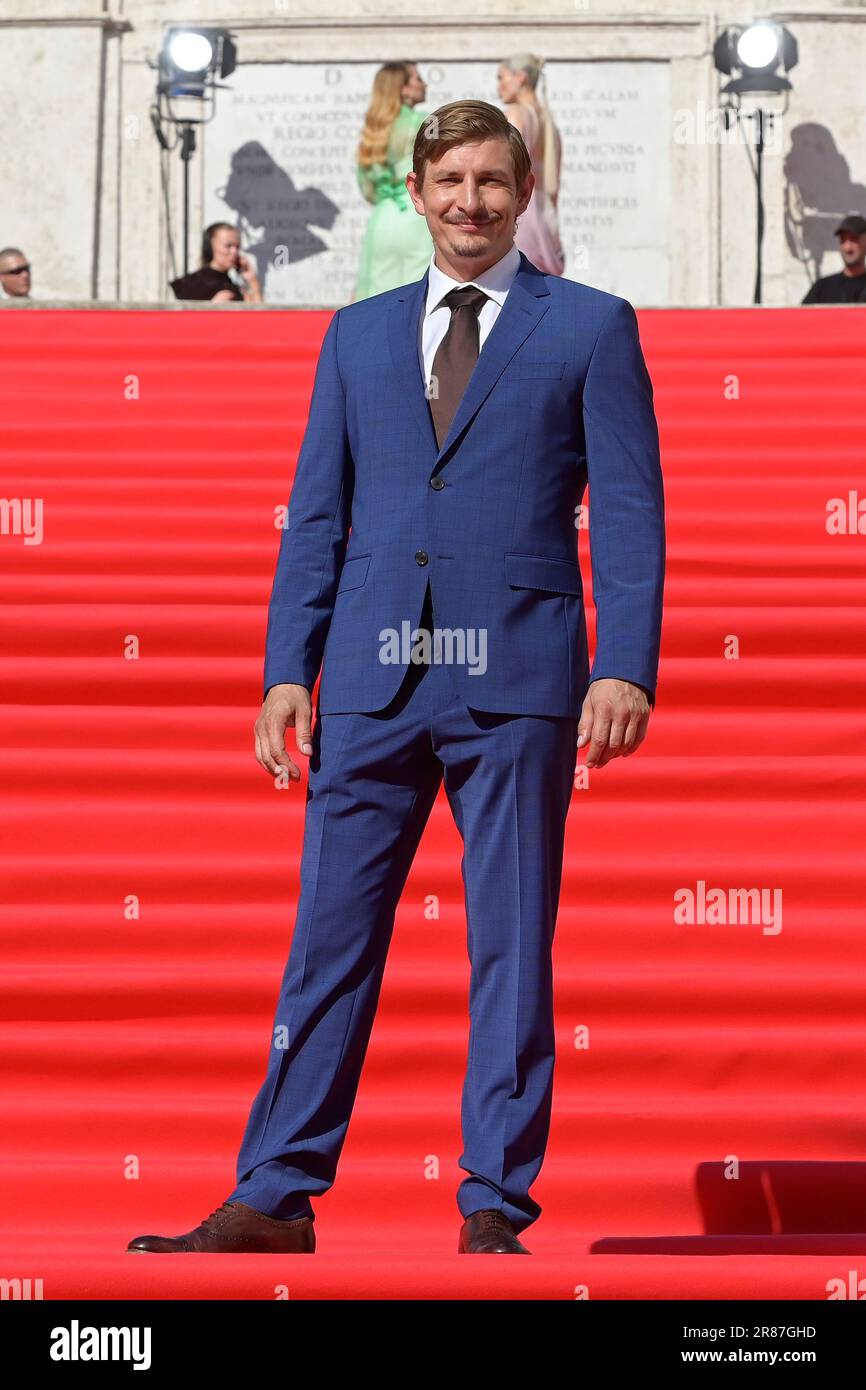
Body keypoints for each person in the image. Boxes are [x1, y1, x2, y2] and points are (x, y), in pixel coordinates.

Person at [128, 98, 664, 1257]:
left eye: (489, 181)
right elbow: (317, 514)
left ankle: (492, 1200)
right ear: (415, 196)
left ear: (522, 194)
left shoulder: (588, 327)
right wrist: (287, 668)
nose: (467, 201)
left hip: (517, 672)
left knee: (510, 941)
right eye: (448, 182)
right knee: (327, 939)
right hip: (373, 673)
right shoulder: (356, 335)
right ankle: (274, 1189)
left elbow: (625, 506)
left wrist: (624, 662)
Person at [353, 61, 434, 300]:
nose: (425, 83)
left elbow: (367, 187)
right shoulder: (424, 122)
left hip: (384, 216)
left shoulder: (375, 130)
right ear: (403, 88)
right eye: (418, 79)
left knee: (378, 294)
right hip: (415, 213)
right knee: (417, 296)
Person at [497, 54, 565, 277]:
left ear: (520, 77)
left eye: (502, 78)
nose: (499, 86)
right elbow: (554, 186)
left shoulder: (517, 114)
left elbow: (506, 168)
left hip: (524, 214)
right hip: (546, 214)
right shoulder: (550, 122)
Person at [170, 222, 263, 302]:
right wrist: (212, 309)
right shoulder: (188, 285)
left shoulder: (234, 288)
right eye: (228, 246)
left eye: (237, 247)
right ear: (210, 247)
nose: (234, 252)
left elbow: (259, 318)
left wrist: (253, 281)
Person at [801, 213, 866, 303]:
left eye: (854, 239)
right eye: (843, 240)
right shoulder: (822, 288)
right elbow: (800, 316)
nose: (848, 247)